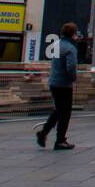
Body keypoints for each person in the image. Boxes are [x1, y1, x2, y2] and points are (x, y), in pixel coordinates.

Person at [36, 22, 78, 150]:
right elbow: (70, 67)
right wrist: (73, 78)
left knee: (59, 110)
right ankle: (59, 140)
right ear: (73, 34)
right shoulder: (70, 48)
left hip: (54, 81)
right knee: (65, 113)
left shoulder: (57, 44)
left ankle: (44, 133)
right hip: (64, 84)